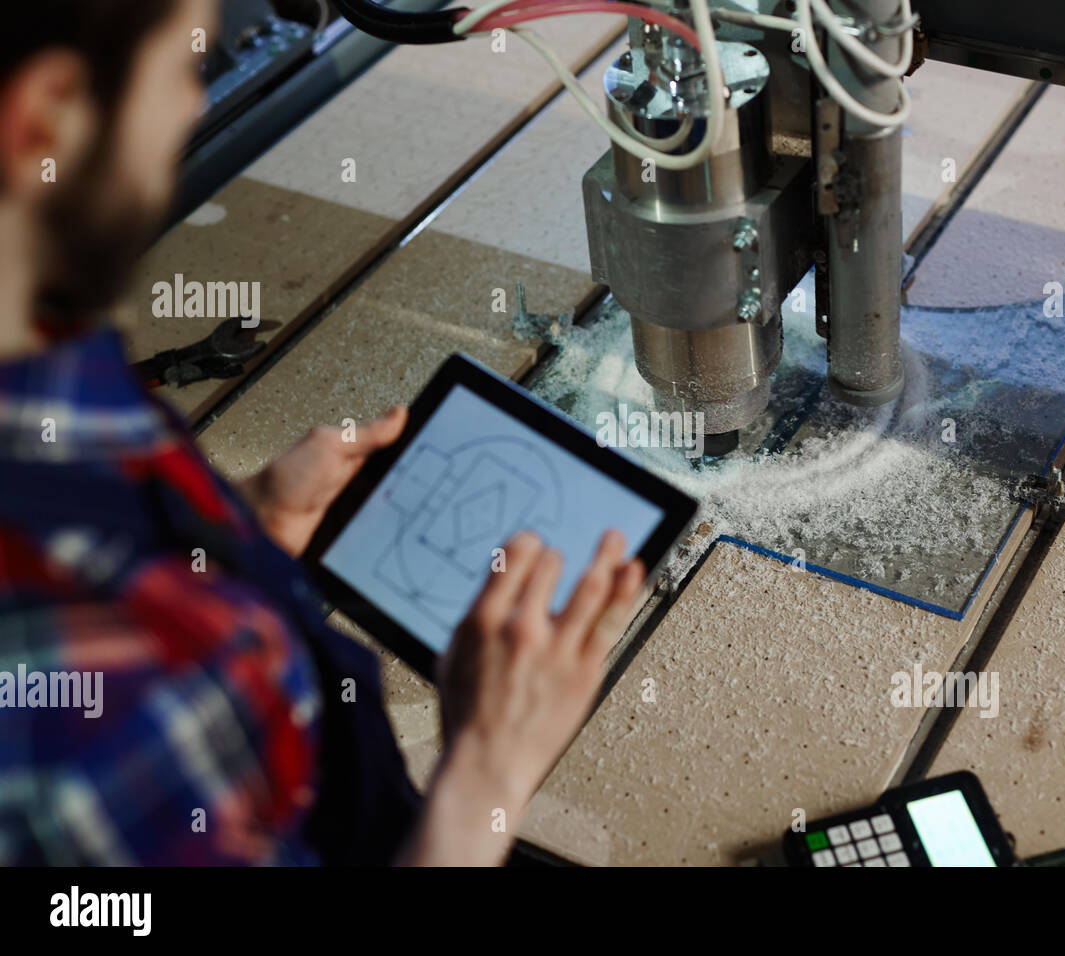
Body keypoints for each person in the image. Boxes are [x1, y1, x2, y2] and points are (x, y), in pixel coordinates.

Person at [0, 0, 644, 865]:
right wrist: (488, 772)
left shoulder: (45, 360)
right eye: (180, 69)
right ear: (41, 121)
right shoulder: (130, 692)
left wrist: (237, 534)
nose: (194, 107)